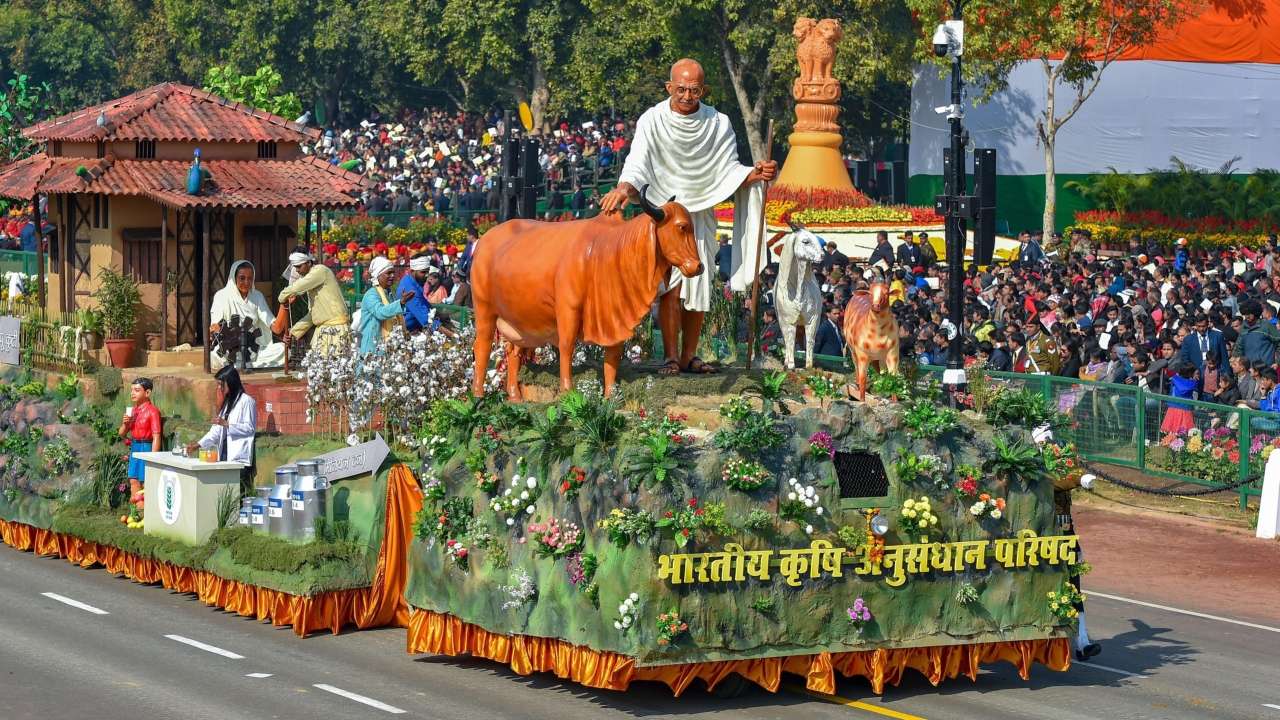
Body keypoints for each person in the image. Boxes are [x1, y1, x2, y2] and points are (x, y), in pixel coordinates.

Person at [600, 58, 775, 376]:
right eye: (680, 89)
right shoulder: (652, 120)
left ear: (703, 90)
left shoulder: (718, 123)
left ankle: (689, 355)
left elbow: (728, 170)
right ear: (669, 87)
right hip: (664, 218)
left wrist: (755, 173)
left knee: (700, 285)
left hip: (699, 215)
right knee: (671, 287)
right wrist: (624, 189)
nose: (686, 95)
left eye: (693, 90)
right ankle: (669, 356)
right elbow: (638, 163)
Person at [187, 366, 258, 494]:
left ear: (230, 382)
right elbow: (216, 432)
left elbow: (250, 428)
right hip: (224, 455)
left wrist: (227, 424)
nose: (219, 388)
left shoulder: (247, 401)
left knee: (238, 495)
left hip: (239, 458)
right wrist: (198, 445)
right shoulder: (227, 403)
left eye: (221, 384)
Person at [209, 260, 285, 370]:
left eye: (250, 278)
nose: (246, 282)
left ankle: (243, 366)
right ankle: (247, 366)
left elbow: (276, 328)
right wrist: (222, 332)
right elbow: (214, 327)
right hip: (229, 350)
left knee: (282, 349)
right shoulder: (221, 296)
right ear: (234, 278)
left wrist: (284, 304)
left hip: (252, 350)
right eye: (242, 278)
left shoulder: (257, 296)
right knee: (214, 356)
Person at [278, 250, 351, 357]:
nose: (297, 271)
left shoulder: (320, 271)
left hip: (336, 329)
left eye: (299, 266)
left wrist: (282, 296)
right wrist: (293, 332)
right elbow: (313, 315)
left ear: (308, 262)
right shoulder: (312, 282)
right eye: (295, 267)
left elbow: (298, 287)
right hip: (323, 331)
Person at [119, 378, 163, 510]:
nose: (133, 393)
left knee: (146, 480)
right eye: (131, 390)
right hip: (135, 446)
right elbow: (121, 433)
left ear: (147, 392)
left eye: (137, 390)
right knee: (133, 479)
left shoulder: (152, 411)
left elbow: (156, 435)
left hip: (146, 446)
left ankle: (149, 510)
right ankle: (137, 509)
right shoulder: (132, 411)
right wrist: (126, 424)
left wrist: (153, 458)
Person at [359, 256, 413, 355]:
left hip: (388, 347)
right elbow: (380, 312)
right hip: (373, 347)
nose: (392, 276)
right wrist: (400, 303)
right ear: (378, 275)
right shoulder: (371, 294)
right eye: (388, 273)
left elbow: (396, 315)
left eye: (393, 273)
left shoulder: (388, 294)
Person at [398, 253, 434, 334]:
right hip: (408, 332)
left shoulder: (411, 281)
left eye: (428, 272)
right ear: (412, 271)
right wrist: (452, 335)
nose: (427, 275)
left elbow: (426, 306)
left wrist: (441, 315)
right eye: (423, 272)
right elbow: (427, 320)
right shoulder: (410, 290)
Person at [1161, 363, 1198, 434]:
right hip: (1186, 410)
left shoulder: (1174, 378)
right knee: (1184, 433)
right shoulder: (1193, 383)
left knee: (1170, 432)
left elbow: (1166, 369)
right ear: (1190, 373)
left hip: (1173, 408)